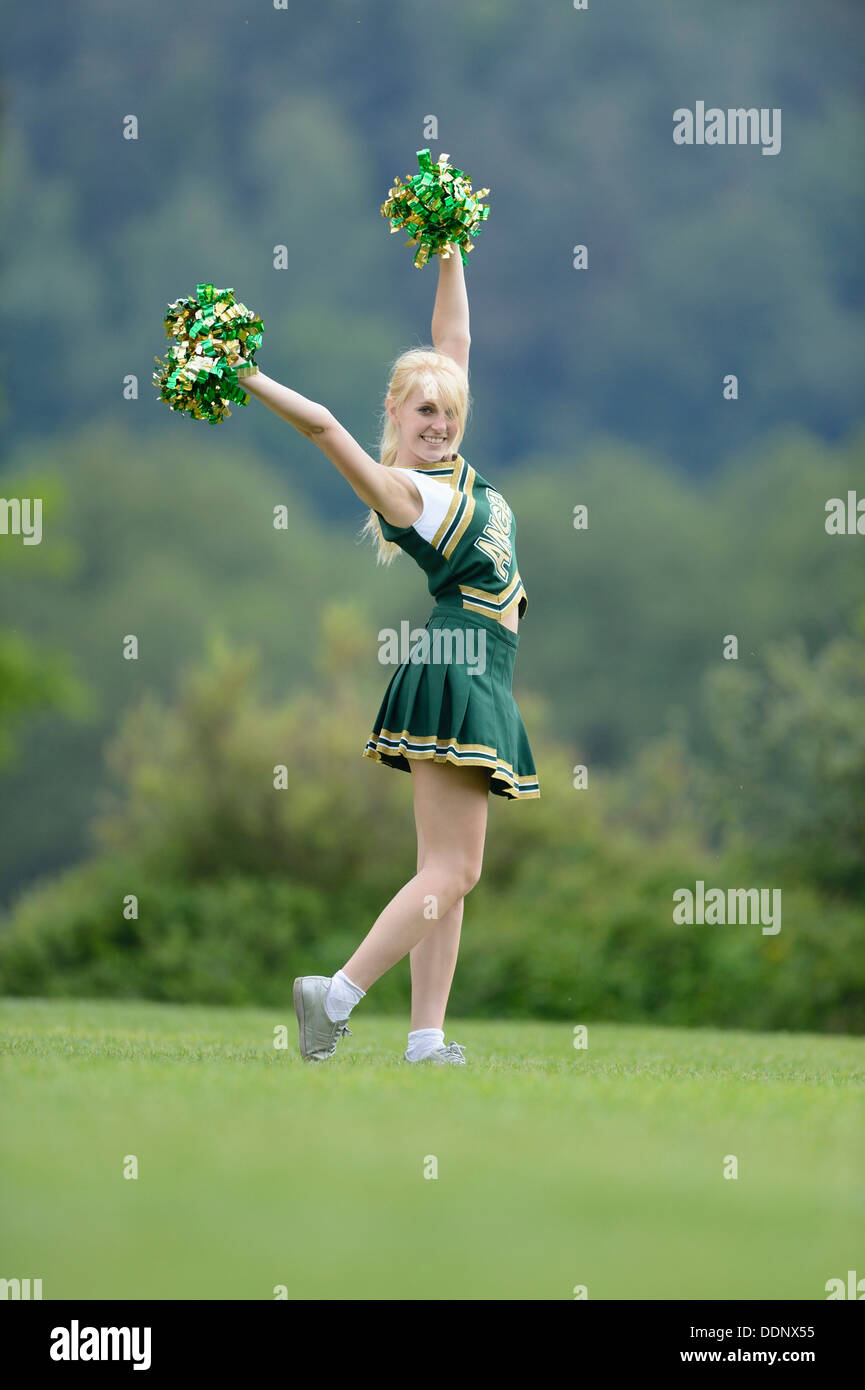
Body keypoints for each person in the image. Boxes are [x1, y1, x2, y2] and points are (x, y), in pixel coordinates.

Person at [234, 242, 539, 1066]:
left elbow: (455, 339)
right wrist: (244, 374)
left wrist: (448, 248)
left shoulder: (457, 476)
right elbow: (325, 426)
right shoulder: (405, 492)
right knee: (454, 870)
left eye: (447, 412)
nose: (439, 424)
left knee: (447, 870)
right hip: (458, 662)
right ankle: (331, 996)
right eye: (422, 414)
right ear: (395, 416)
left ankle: (426, 1037)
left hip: (478, 665)